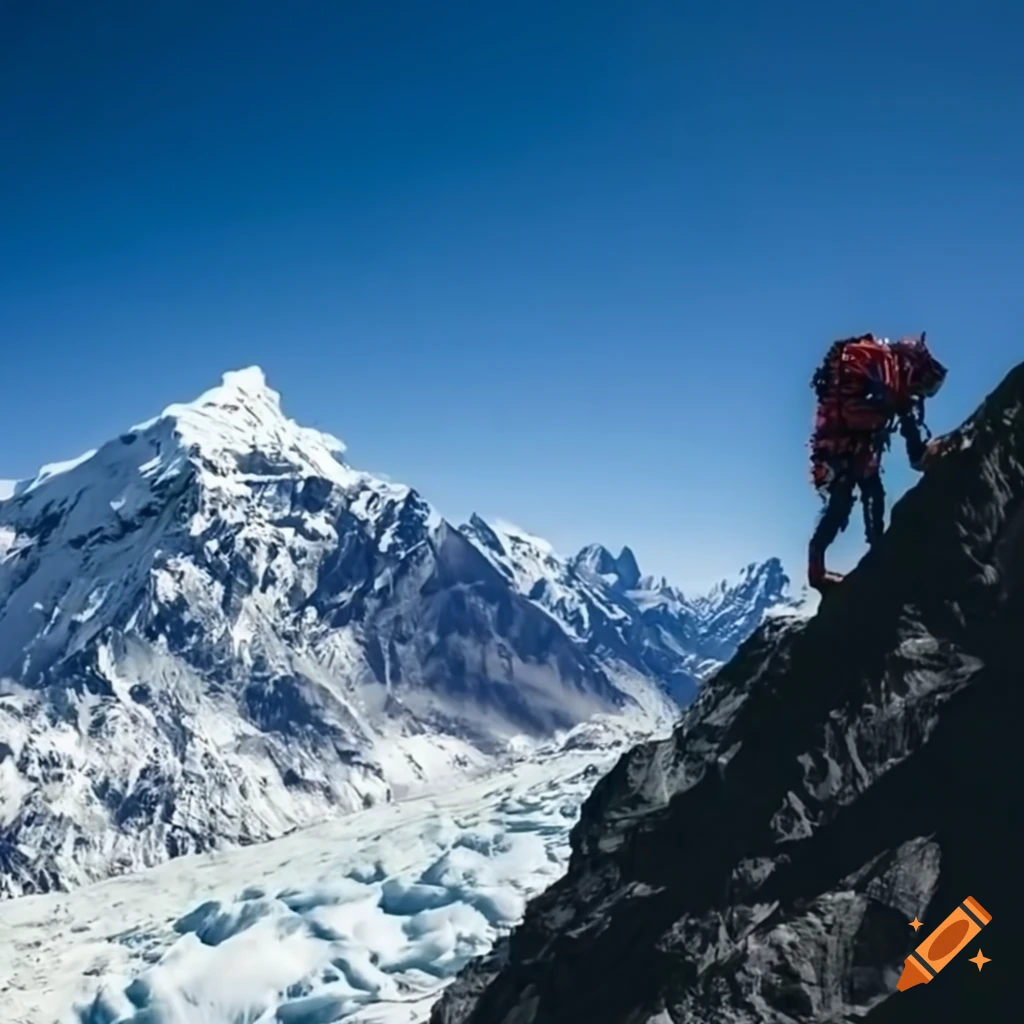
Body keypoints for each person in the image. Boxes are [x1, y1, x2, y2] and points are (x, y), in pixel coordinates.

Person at [807, 332, 948, 591]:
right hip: (848, 446)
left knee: (855, 499)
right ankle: (864, 556)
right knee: (856, 498)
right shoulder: (887, 376)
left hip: (843, 444)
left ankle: (853, 557)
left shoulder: (883, 373)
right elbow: (885, 415)